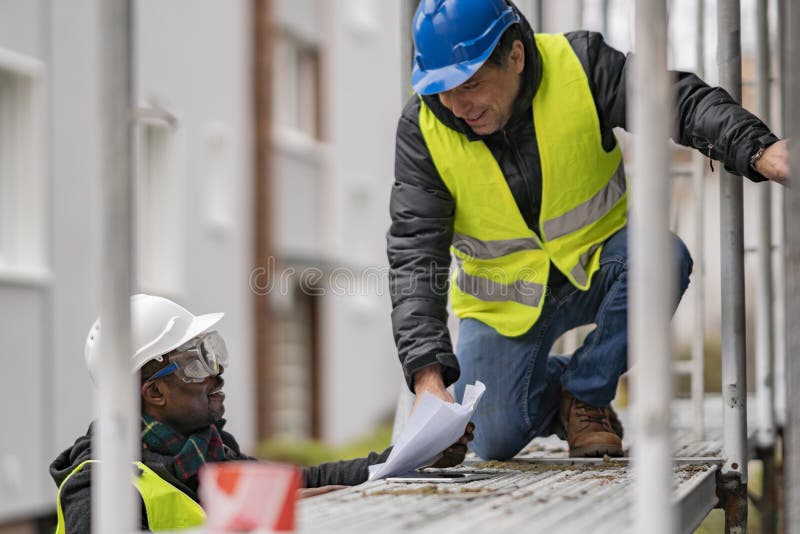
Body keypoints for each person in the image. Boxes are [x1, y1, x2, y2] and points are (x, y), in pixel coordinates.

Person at [388, 0, 789, 460]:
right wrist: (427, 376)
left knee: (662, 257)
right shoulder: (422, 130)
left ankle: (585, 394)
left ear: (515, 56)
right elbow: (414, 254)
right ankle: (564, 393)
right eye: (442, 91)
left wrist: (758, 148)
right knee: (492, 437)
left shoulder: (580, 65)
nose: (457, 106)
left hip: (600, 264)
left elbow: (676, 100)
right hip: (503, 300)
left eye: (471, 85)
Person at [51, 294, 474, 533]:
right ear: (154, 392)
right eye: (198, 361)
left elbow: (306, 481)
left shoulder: (207, 451)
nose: (217, 373)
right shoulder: (98, 486)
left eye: (214, 352)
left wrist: (412, 455)